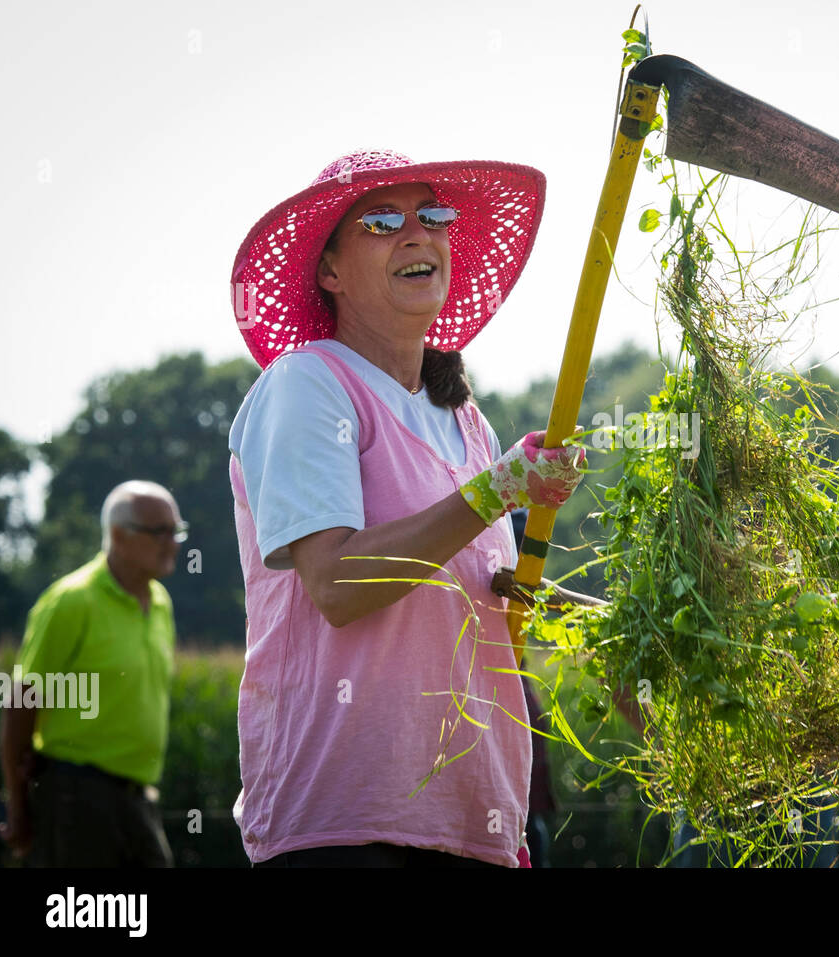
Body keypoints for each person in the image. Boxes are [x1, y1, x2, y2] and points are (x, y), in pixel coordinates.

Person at [227, 149, 585, 868]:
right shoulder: (309, 386)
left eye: (434, 217)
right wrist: (497, 490)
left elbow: (483, 605)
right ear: (329, 272)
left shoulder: (467, 424)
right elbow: (336, 584)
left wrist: (620, 628)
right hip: (346, 825)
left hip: (475, 822)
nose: (417, 234)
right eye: (383, 221)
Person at [0, 480, 181, 867]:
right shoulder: (71, 601)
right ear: (118, 535)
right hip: (75, 797)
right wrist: (17, 805)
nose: (173, 542)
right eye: (159, 531)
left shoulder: (161, 604)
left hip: (139, 797)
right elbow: (20, 702)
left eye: (176, 530)